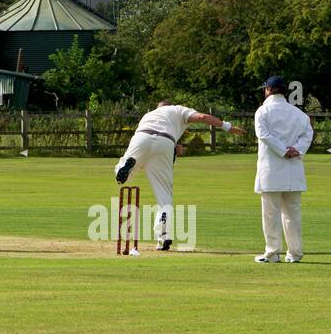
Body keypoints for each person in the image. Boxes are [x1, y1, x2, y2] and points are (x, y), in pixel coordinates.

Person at [115, 101, 243, 250]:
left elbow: (150, 146)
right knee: (164, 197)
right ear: (171, 105)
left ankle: (123, 168)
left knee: (124, 177)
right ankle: (163, 237)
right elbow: (202, 117)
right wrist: (228, 127)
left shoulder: (149, 114)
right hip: (165, 142)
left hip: (141, 137)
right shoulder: (178, 110)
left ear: (158, 108)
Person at [253, 76, 314, 263]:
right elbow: (308, 134)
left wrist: (283, 151)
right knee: (292, 214)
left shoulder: (262, 111)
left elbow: (263, 135)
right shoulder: (299, 114)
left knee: (271, 214)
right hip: (293, 170)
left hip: (271, 170)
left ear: (269, 90)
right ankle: (295, 253)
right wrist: (297, 149)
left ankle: (272, 253)